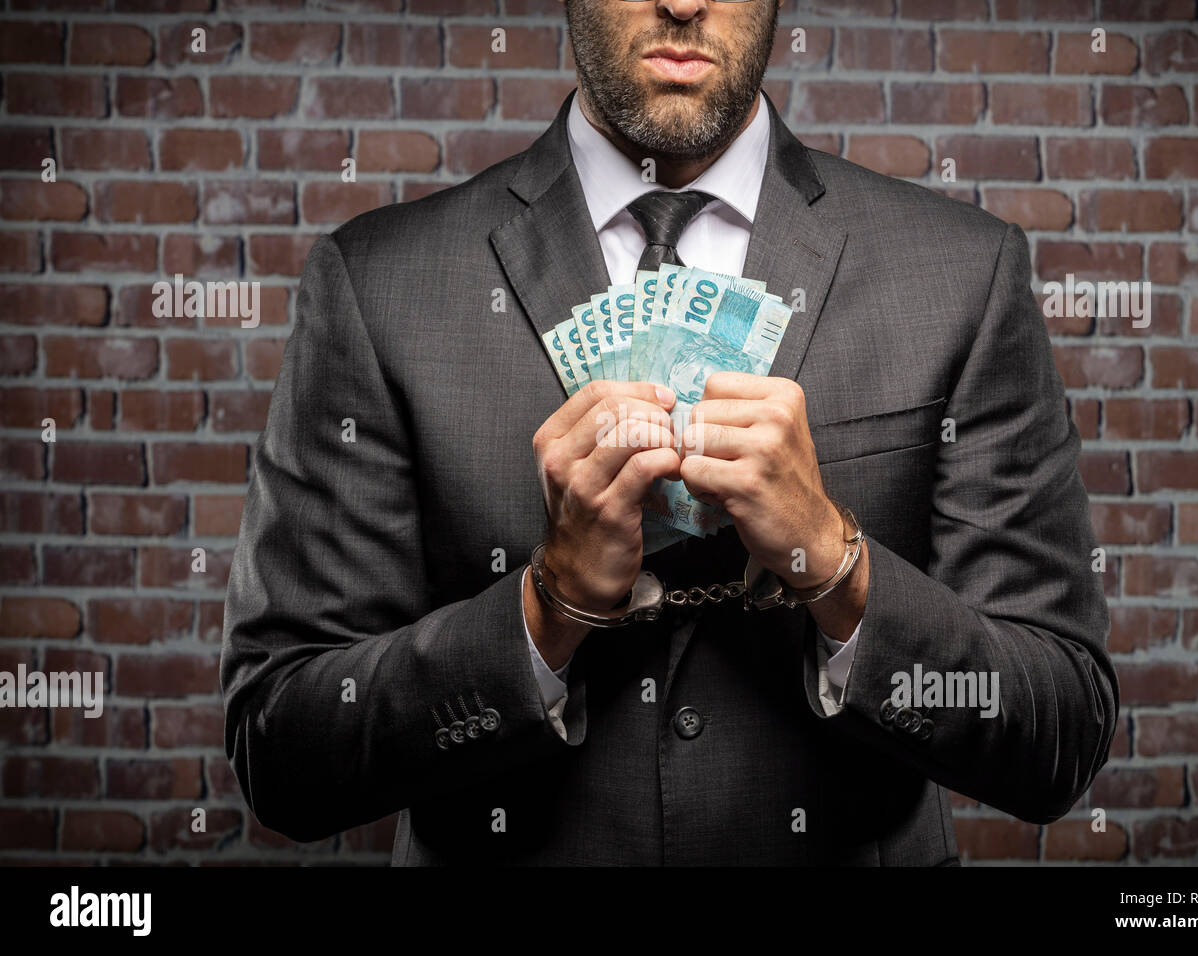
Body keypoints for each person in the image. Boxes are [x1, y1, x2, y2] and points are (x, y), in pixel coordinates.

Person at [221, 0, 1118, 865]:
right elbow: (284, 749)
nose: (684, 4)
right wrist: (545, 609)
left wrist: (836, 565)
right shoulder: (382, 284)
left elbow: (1059, 733)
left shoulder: (961, 272)